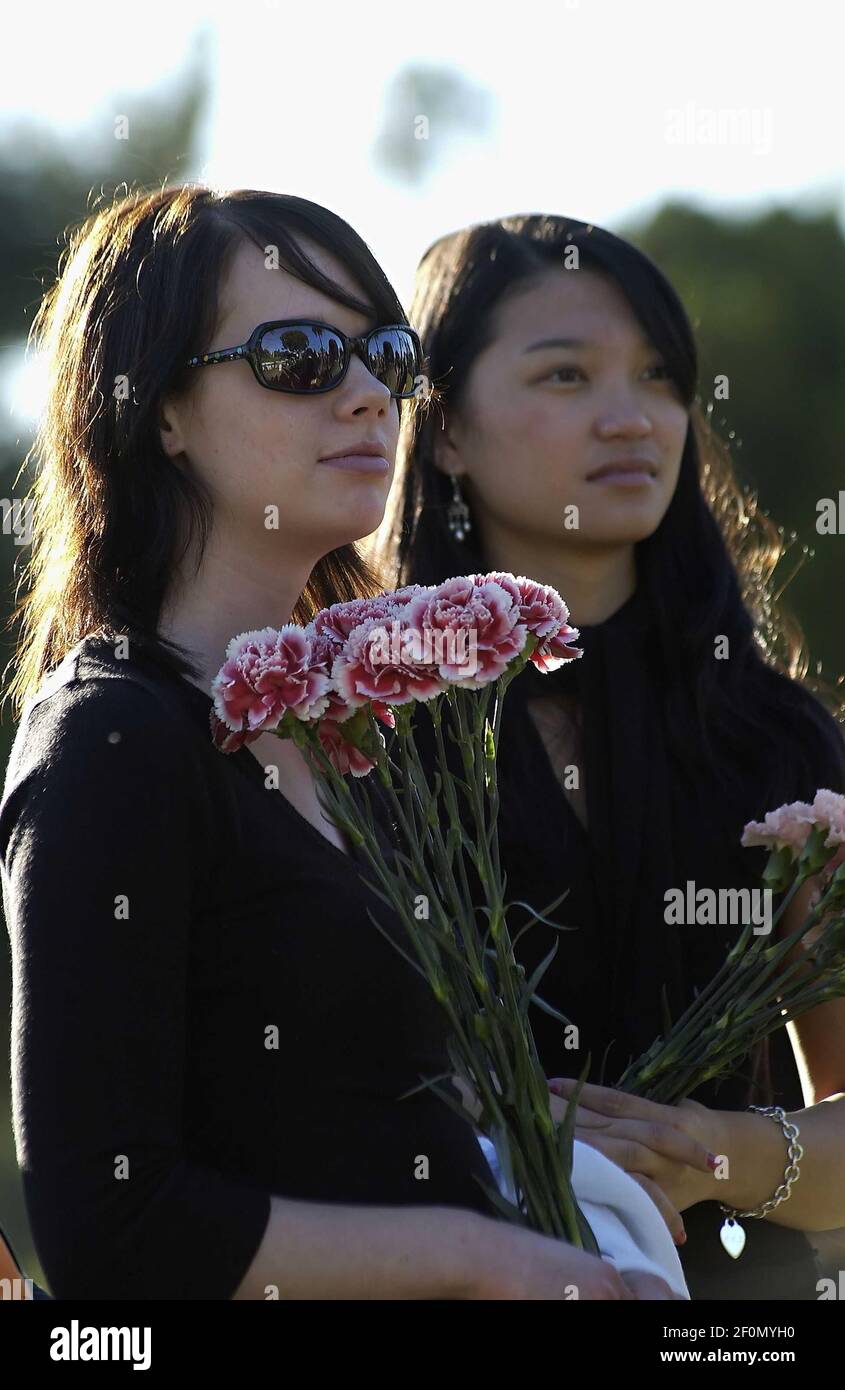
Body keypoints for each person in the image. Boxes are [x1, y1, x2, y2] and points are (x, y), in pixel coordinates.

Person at [0, 185, 676, 1301]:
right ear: (159, 405)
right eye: (301, 355)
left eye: (387, 355)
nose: (368, 395)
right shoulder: (112, 741)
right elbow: (109, 1230)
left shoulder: (372, 731)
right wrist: (487, 1262)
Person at [375, 212, 845, 1300]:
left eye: (659, 377)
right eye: (565, 377)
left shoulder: (772, 734)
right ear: (441, 428)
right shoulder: (359, 727)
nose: (632, 418)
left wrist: (707, 1150)